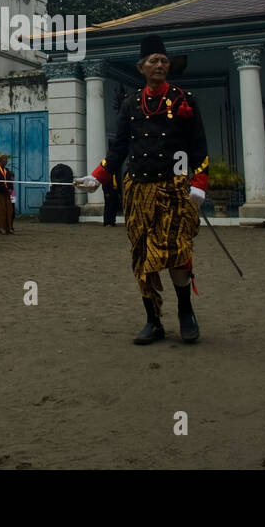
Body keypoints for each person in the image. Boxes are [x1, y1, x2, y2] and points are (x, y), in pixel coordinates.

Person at [76, 35, 208, 345]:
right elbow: (119, 147)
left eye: (163, 60)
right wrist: (98, 176)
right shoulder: (130, 103)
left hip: (173, 190)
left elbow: (199, 148)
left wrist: (199, 184)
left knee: (177, 253)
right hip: (138, 190)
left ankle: (186, 313)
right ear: (141, 67)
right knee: (142, 255)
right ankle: (152, 320)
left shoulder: (184, 100)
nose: (159, 65)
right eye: (153, 61)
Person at [0, 152, 15, 235]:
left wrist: (10, 189)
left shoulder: (6, 170)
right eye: (5, 159)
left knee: (8, 210)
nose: (6, 161)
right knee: (0, 210)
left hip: (7, 194)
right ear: (0, 160)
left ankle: (8, 227)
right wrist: (5, 189)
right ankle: (0, 227)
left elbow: (10, 181)